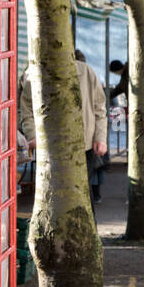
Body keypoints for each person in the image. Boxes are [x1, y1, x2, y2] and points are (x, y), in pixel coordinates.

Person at [19, 50, 108, 203]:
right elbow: (26, 110)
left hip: (84, 144)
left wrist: (101, 138)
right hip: (50, 144)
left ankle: (87, 227)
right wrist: (32, 135)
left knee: (83, 194)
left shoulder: (86, 71)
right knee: (55, 195)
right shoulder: (34, 74)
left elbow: (99, 107)